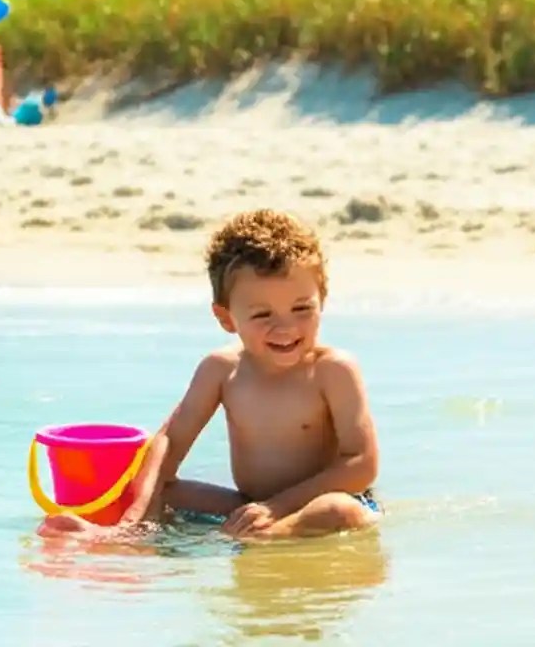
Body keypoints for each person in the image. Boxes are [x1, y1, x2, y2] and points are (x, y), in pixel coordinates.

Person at [41, 209, 382, 542]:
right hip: (250, 505)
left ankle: (264, 537)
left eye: (302, 308)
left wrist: (277, 507)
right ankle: (136, 540)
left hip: (324, 501)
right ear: (226, 318)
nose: (285, 327)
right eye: (262, 314)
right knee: (161, 488)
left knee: (336, 510)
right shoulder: (221, 370)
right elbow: (170, 441)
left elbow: (361, 464)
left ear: (322, 300)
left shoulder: (332, 370)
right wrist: (135, 516)